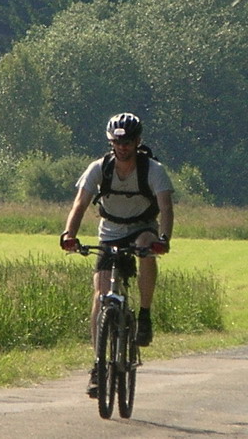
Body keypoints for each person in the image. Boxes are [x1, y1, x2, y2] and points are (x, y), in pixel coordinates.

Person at [59, 112, 174, 398]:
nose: (122, 148)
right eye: (117, 142)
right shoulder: (99, 168)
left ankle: (144, 315)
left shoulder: (153, 170)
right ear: (111, 142)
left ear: (137, 142)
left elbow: (167, 208)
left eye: (128, 143)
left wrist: (163, 239)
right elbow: (80, 204)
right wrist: (68, 235)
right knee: (100, 296)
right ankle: (99, 365)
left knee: (147, 249)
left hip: (142, 228)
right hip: (110, 231)